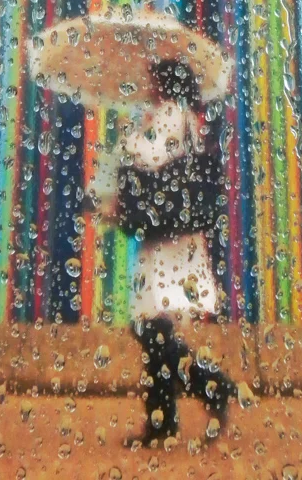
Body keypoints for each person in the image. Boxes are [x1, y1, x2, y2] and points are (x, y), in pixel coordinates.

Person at [92, 57, 235, 447]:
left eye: (156, 80)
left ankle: (203, 394)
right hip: (169, 244)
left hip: (171, 251)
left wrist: (126, 139)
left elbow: (149, 156)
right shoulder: (182, 117)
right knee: (153, 333)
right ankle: (174, 413)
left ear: (167, 84)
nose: (150, 87)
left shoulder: (173, 115)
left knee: (151, 332)